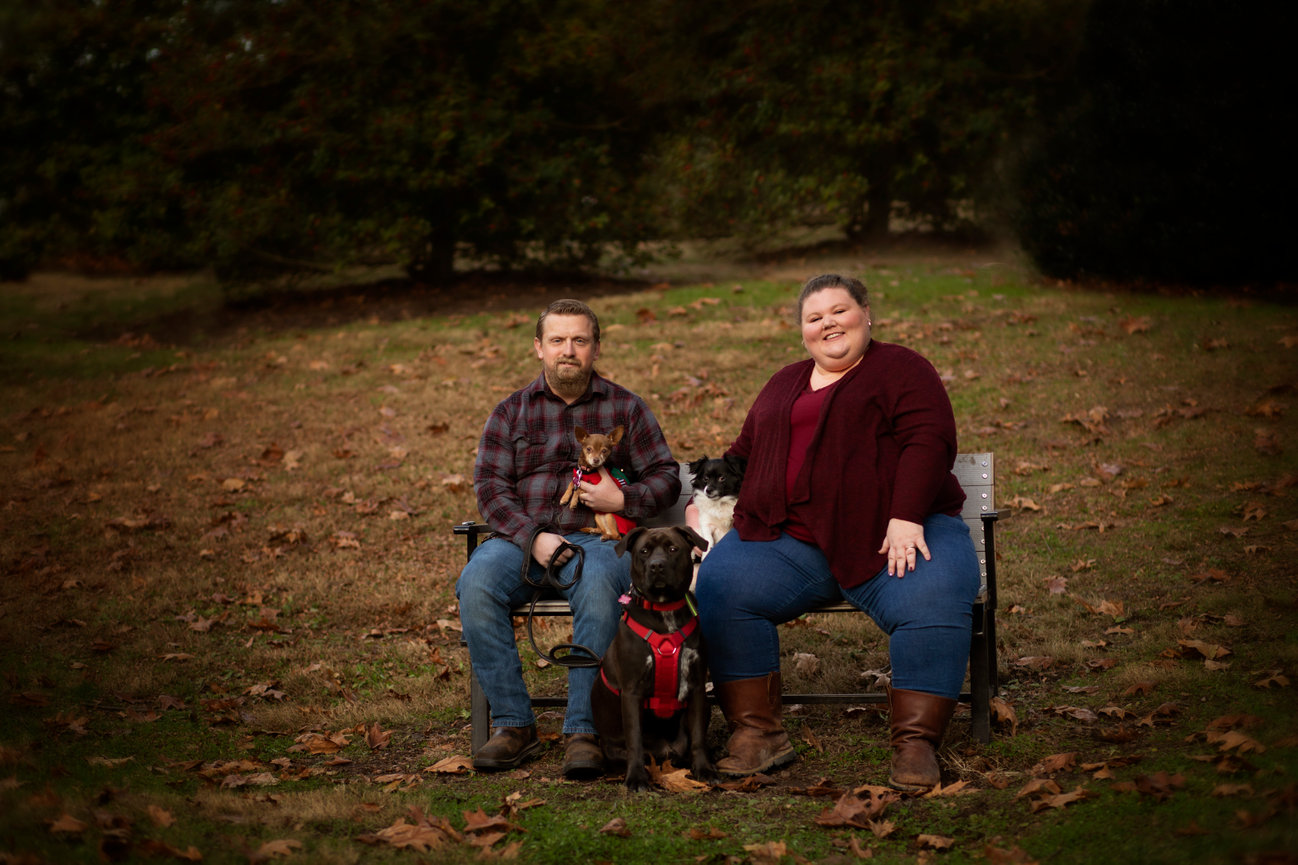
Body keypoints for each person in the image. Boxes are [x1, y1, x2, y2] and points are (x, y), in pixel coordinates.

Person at [694, 273, 980, 791]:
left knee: (935, 595)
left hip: (891, 529)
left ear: (867, 313)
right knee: (722, 585)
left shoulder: (902, 368)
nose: (827, 323)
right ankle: (758, 734)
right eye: (814, 317)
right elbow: (742, 454)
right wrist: (698, 509)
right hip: (793, 538)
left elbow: (929, 440)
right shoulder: (784, 382)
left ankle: (916, 744)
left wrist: (907, 514)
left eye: (839, 311)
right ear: (802, 331)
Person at [457, 298, 681, 778]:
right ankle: (515, 725)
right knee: (476, 585)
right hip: (519, 541)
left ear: (595, 347)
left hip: (598, 542)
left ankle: (584, 731)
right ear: (539, 347)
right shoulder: (510, 411)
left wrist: (624, 503)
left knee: (600, 587)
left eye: (579, 340)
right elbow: (491, 490)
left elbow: (666, 477)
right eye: (557, 340)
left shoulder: (625, 406)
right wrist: (532, 536)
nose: (568, 350)